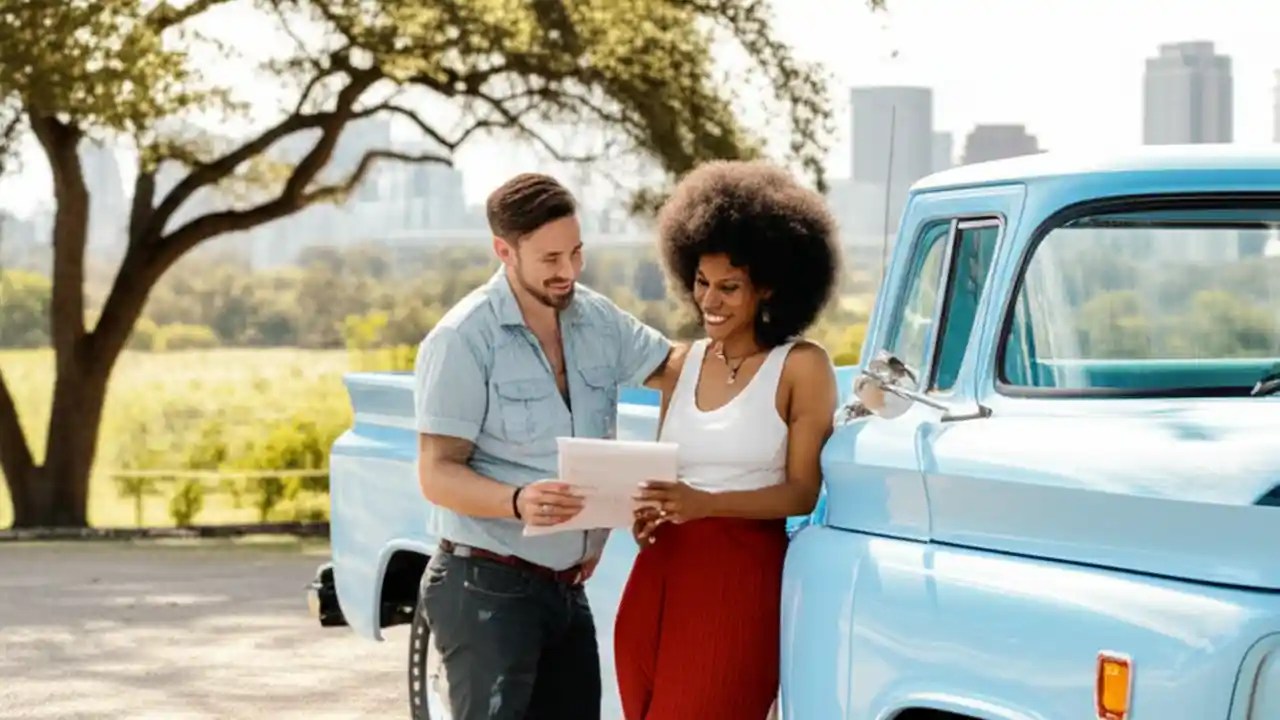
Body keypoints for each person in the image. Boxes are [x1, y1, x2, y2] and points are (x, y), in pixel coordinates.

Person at [412, 172, 677, 720]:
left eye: (577, 253)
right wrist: (517, 500)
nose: (569, 271)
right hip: (484, 586)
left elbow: (676, 370)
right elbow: (436, 473)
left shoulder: (598, 319)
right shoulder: (462, 338)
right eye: (551, 259)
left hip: (565, 589)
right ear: (504, 251)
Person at [612, 160, 841, 720]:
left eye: (729, 287)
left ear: (768, 287)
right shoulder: (682, 363)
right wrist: (652, 513)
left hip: (740, 580)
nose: (709, 301)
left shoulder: (801, 367)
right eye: (701, 282)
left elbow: (802, 493)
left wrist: (706, 505)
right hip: (659, 572)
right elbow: (669, 475)